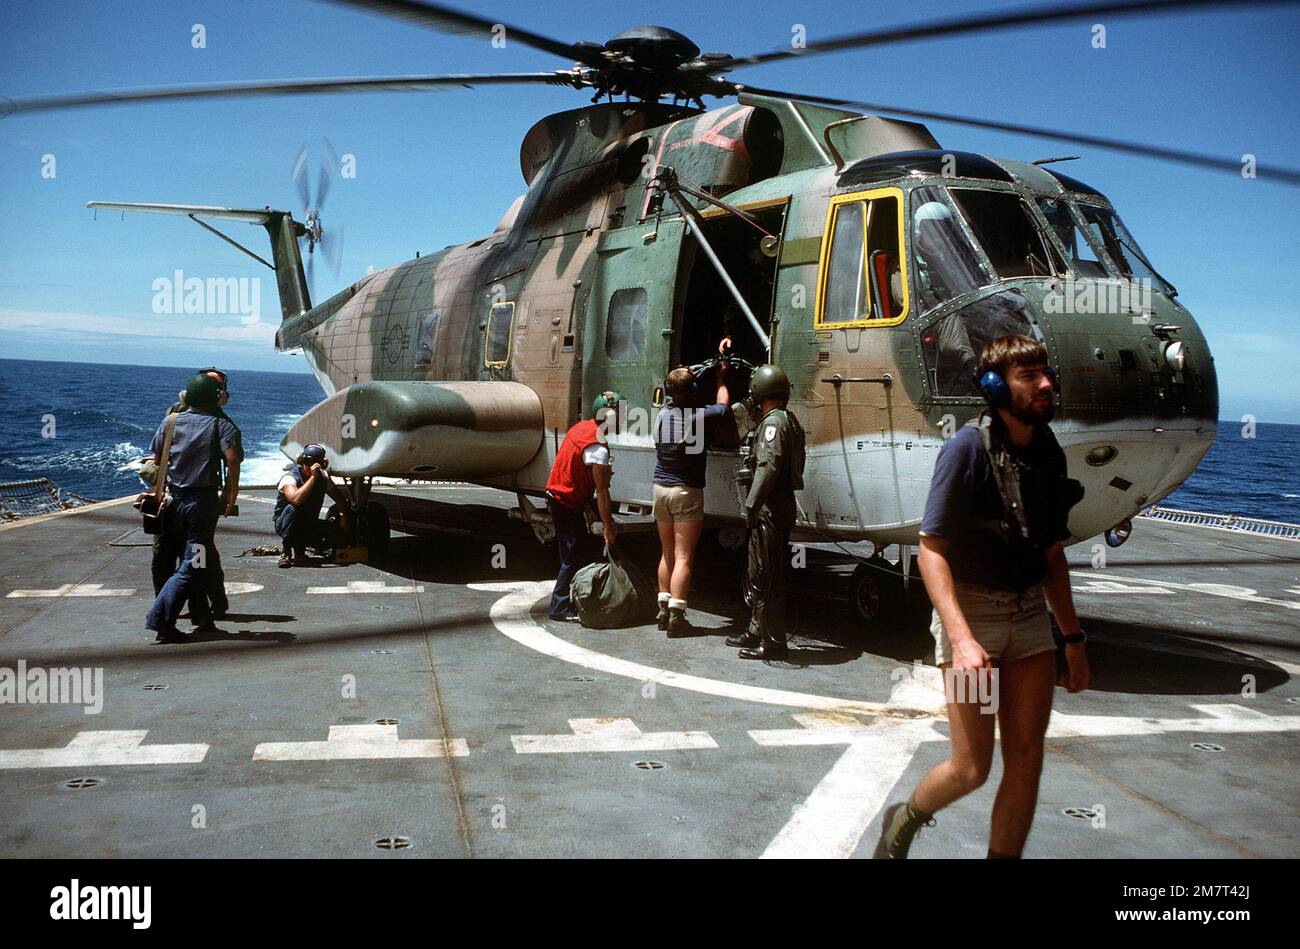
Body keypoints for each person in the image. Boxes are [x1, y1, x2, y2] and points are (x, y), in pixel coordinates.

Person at [874, 333, 1089, 859]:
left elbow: (1052, 555)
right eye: (1028, 376)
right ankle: (904, 820)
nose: (1045, 384)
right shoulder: (966, 449)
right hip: (976, 617)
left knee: (1026, 758)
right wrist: (963, 640)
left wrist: (1074, 639)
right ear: (996, 387)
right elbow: (931, 550)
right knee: (972, 768)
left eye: (1046, 372)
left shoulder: (1047, 451)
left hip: (1029, 620)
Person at [144, 373, 241, 643]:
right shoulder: (221, 425)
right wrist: (231, 493)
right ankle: (160, 620)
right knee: (193, 563)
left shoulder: (170, 421)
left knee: (185, 561)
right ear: (216, 397)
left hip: (172, 503)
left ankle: (202, 618)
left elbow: (157, 459)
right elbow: (232, 459)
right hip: (201, 508)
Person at [652, 340, 734, 637]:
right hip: (686, 491)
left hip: (660, 488)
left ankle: (662, 609)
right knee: (685, 557)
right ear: (695, 391)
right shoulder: (701, 416)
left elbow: (675, 392)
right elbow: (724, 407)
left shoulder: (662, 415)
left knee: (668, 553)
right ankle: (677, 616)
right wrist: (721, 377)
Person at [726, 365, 804, 661]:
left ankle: (773, 642)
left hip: (770, 507)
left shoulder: (774, 425)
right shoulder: (786, 420)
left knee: (767, 575)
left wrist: (751, 504)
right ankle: (756, 629)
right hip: (776, 505)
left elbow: (768, 466)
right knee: (758, 571)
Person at [543, 392, 620, 621]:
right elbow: (602, 491)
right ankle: (559, 607)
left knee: (574, 552)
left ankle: (571, 600)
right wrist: (608, 526)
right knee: (573, 555)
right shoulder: (598, 449)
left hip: (560, 497)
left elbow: (576, 470)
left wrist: (587, 509)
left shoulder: (582, 427)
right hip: (565, 501)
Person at [272, 444, 353, 568]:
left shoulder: (323, 479)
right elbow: (296, 499)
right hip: (285, 524)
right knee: (293, 509)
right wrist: (313, 477)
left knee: (340, 539)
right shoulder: (290, 478)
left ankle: (304, 548)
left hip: (309, 523)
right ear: (301, 462)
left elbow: (341, 502)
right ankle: (286, 551)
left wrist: (343, 521)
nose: (310, 468)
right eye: (308, 463)